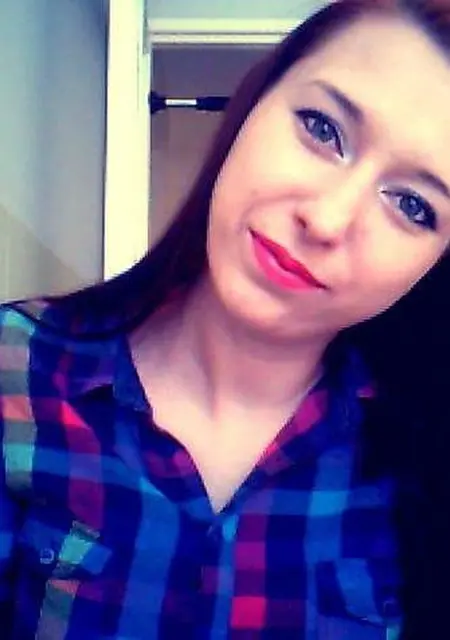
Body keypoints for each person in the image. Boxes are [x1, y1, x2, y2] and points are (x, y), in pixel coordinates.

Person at [2, 0, 450, 637]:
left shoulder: (421, 471)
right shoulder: (18, 371)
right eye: (322, 128)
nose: (327, 220)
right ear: (252, 106)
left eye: (412, 205)